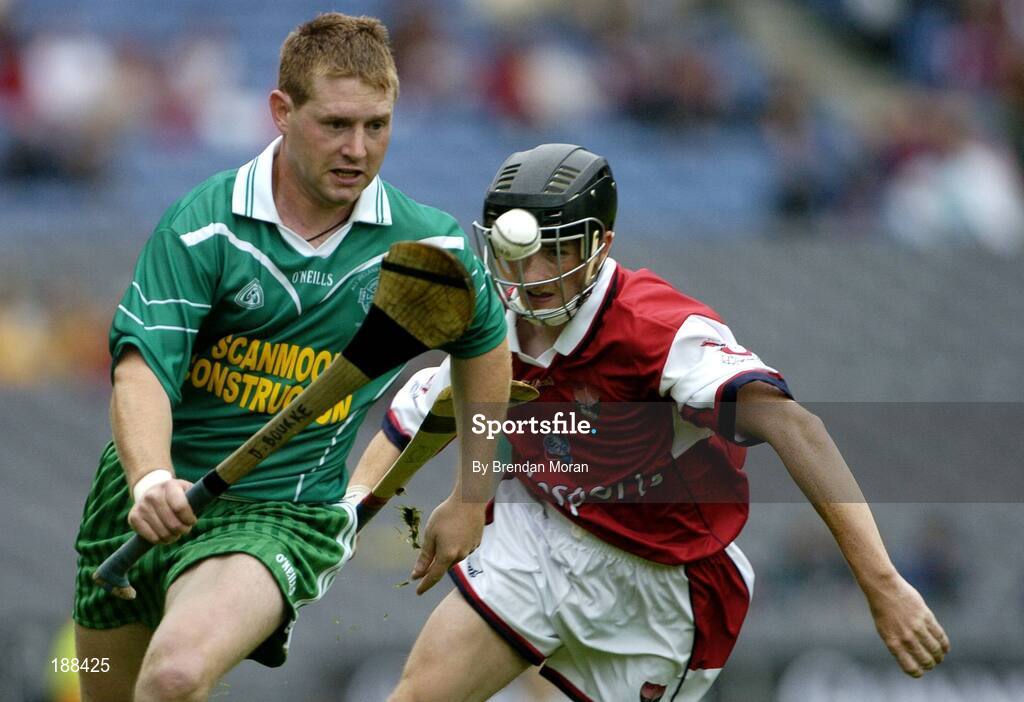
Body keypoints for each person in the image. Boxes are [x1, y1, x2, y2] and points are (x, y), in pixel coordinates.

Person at [349, 144, 950, 702]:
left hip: (663, 583)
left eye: (555, 249)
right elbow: (416, 419)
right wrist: (348, 518)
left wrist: (883, 582)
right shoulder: (489, 322)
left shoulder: (657, 330)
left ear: (600, 245)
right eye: (518, 250)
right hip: (537, 535)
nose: (531, 275)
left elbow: (799, 429)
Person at [71, 13, 510, 702]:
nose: (358, 149)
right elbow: (140, 367)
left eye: (377, 125)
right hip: (144, 501)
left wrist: (473, 494)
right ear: (281, 111)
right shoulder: (204, 226)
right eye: (336, 124)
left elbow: (485, 348)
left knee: (175, 677)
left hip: (282, 511)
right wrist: (150, 478)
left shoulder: (430, 250)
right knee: (95, 683)